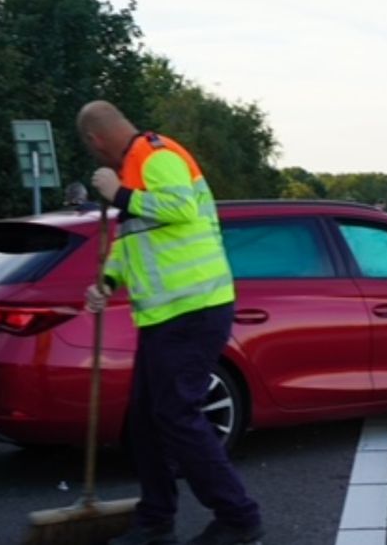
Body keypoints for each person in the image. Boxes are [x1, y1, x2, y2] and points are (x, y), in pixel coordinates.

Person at [78, 101, 263, 545]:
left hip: (194, 310)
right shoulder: (134, 169)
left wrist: (119, 195)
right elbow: (135, 242)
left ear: (95, 141)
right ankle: (156, 519)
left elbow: (180, 209)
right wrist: (106, 280)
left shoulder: (155, 155)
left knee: (176, 415)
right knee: (146, 420)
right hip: (167, 315)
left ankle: (239, 518)